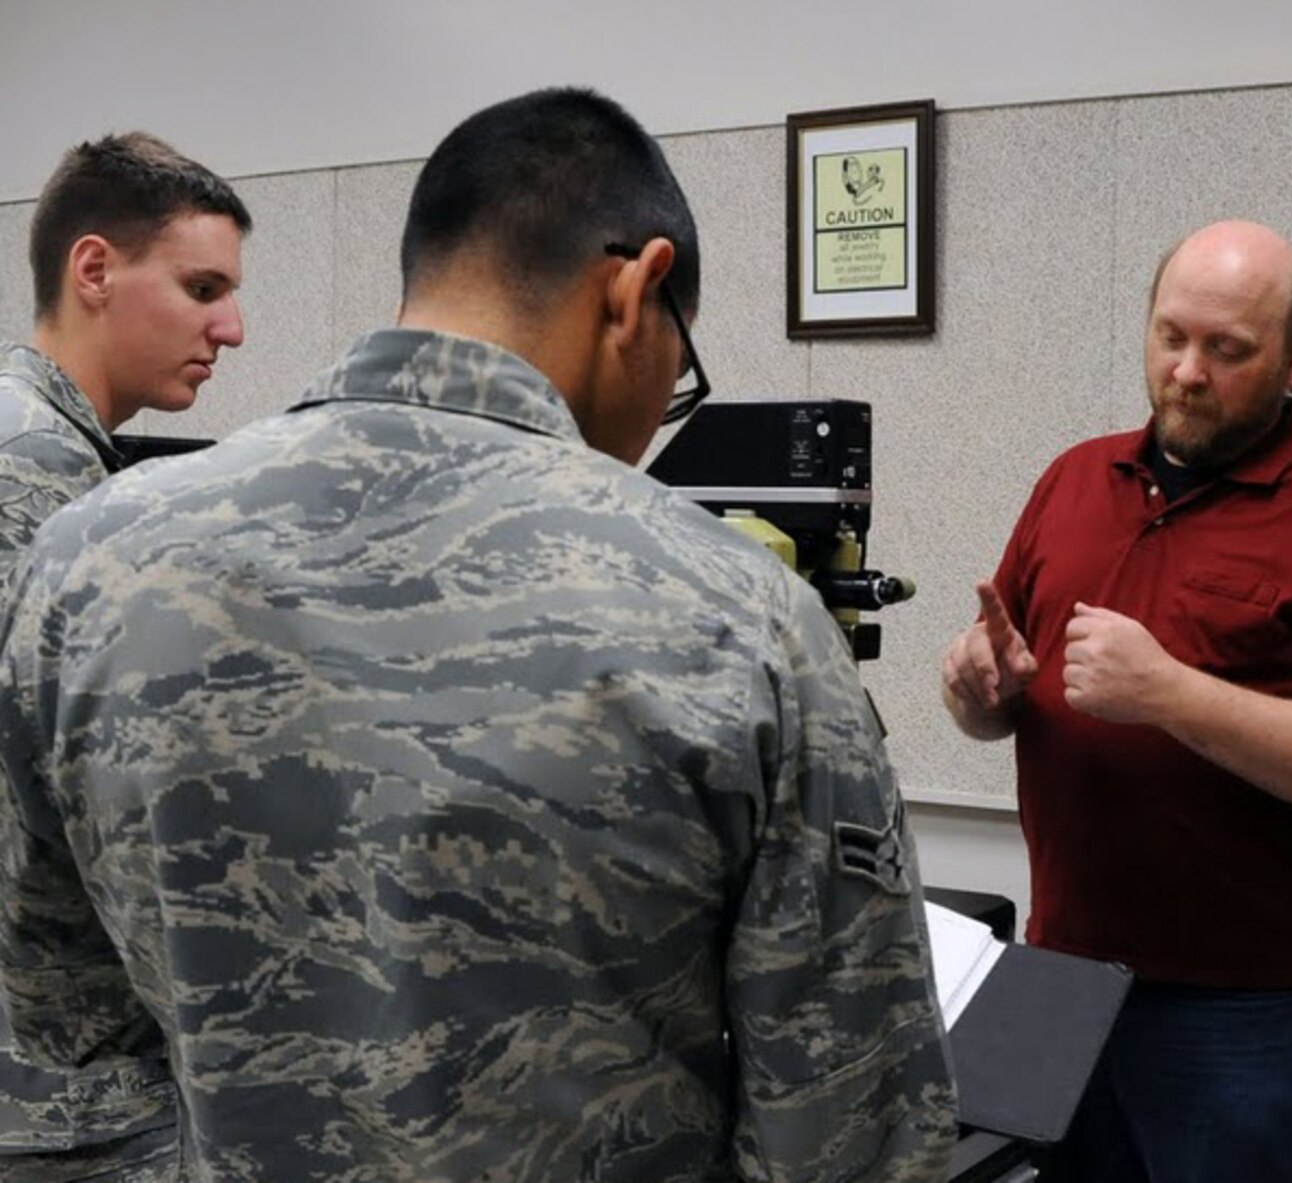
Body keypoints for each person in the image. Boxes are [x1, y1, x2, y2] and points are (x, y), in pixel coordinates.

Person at [0, 87, 954, 1182]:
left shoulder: (84, 562)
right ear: (633, 290)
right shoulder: (745, 615)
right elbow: (850, 1132)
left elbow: (62, 1057)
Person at [942, 218, 1292, 1183]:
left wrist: (1173, 693)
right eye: (1170, 336)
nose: (1186, 372)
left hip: (1246, 1003)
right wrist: (977, 687)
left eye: (1228, 349)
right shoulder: (1074, 478)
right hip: (1062, 968)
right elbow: (996, 700)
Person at [0, 130, 249, 1178]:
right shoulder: (37, 480)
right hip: (66, 1094)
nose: (230, 328)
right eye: (201, 288)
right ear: (94, 269)